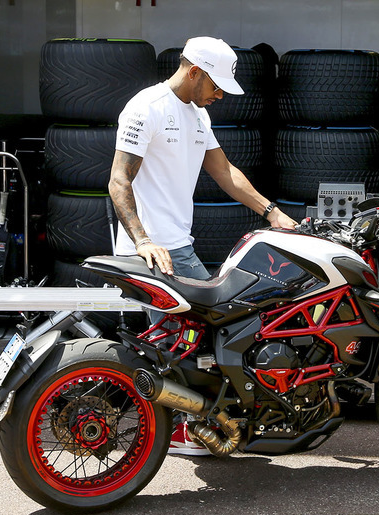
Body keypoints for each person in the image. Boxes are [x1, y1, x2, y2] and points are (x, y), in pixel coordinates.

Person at [109, 36, 296, 455]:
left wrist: (272, 213)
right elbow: (118, 179)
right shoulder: (146, 108)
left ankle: (187, 423)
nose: (218, 96)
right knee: (183, 343)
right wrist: (143, 241)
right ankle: (174, 430)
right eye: (215, 86)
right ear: (194, 71)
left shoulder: (197, 115)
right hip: (151, 251)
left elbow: (225, 172)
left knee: (204, 335)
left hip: (181, 246)